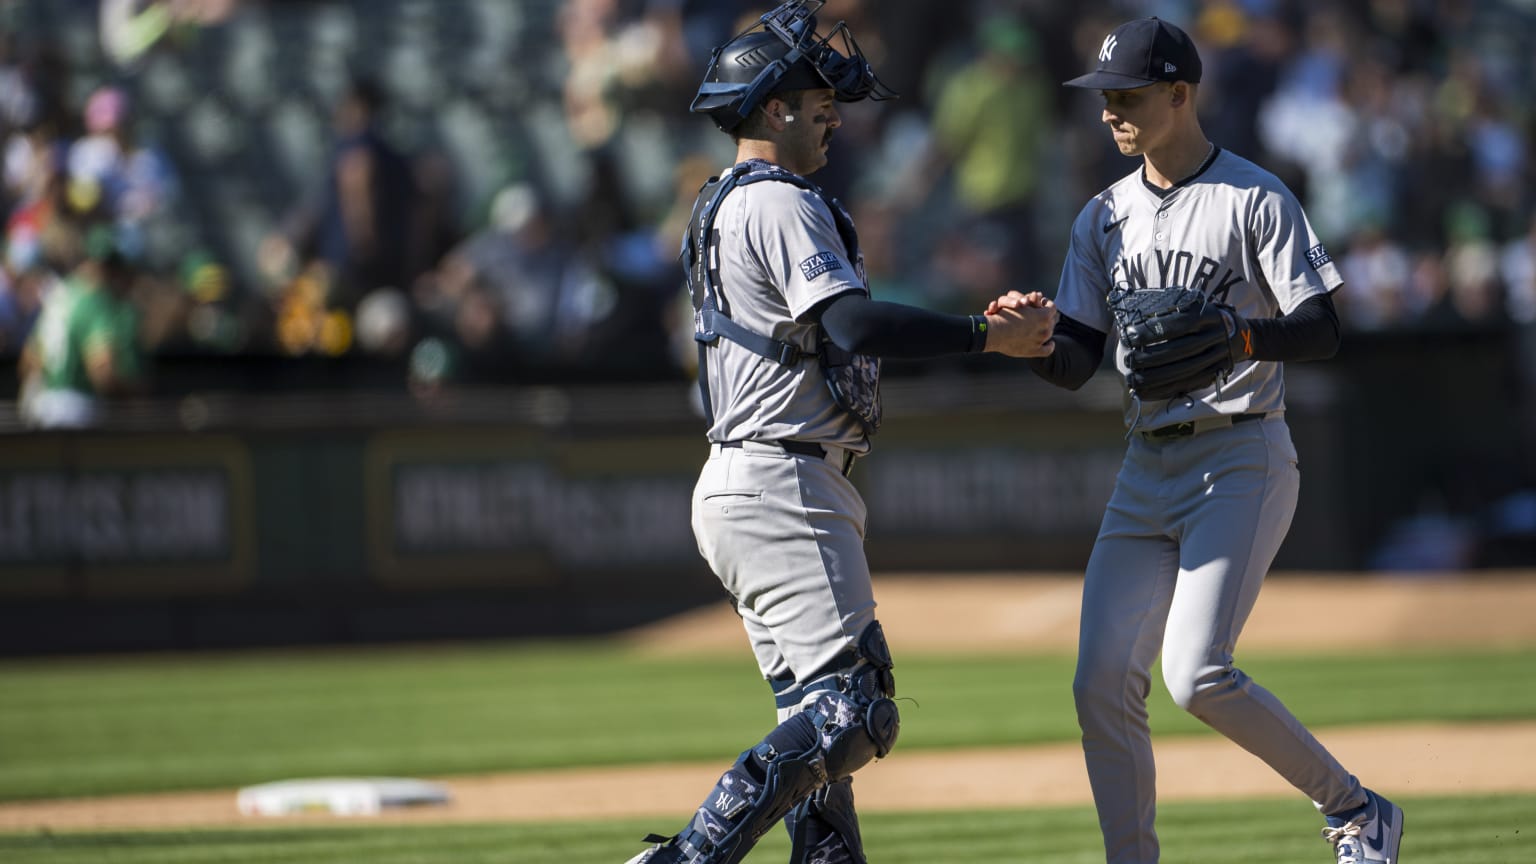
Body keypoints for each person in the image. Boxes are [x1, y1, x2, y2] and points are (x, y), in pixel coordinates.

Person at [623, 3, 1056, 863]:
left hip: (750, 477)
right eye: (819, 97)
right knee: (856, 712)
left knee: (817, 735)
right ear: (774, 107)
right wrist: (986, 335)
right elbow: (854, 326)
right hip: (783, 480)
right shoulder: (781, 200)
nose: (834, 110)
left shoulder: (722, 202)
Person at [991, 17, 1403, 864]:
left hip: (1241, 452)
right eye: (1104, 97)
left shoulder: (1254, 196)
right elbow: (1077, 361)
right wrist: (1031, 343)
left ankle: (1357, 810)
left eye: (1129, 95)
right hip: (1147, 463)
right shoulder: (1101, 217)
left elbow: (1321, 327)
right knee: (1100, 681)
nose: (1110, 112)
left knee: (1196, 675)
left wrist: (1241, 337)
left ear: (1181, 93)